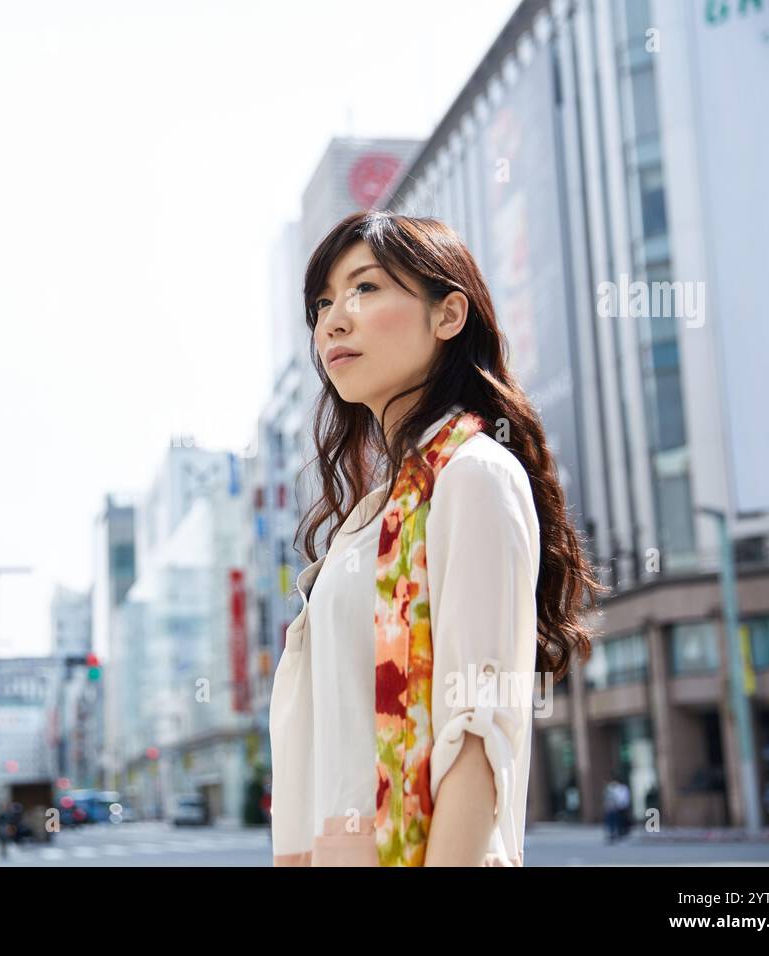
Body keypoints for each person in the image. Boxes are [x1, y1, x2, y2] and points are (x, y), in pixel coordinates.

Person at [268, 212, 604, 867]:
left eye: (365, 288)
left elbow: (477, 737)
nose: (333, 319)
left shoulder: (472, 476)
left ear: (448, 315)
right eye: (323, 303)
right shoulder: (372, 517)